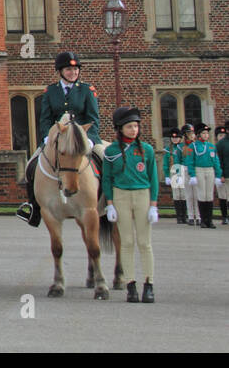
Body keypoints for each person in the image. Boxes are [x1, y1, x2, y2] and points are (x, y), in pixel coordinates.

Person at [17, 51, 101, 227]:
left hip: (82, 139)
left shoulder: (87, 90)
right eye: (69, 69)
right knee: (31, 165)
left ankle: (108, 200)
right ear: (60, 71)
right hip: (56, 139)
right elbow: (45, 118)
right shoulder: (50, 91)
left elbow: (93, 118)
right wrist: (47, 136)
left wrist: (91, 139)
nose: (73, 72)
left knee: (104, 159)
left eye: (76, 69)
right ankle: (33, 208)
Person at [100, 107, 159, 303]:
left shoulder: (147, 150)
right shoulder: (111, 151)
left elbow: (153, 178)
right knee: (126, 242)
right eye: (129, 126)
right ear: (120, 129)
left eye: (135, 126)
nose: (134, 130)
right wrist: (109, 203)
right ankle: (130, 284)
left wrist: (153, 204)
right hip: (120, 196)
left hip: (142, 195)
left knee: (145, 243)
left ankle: (148, 284)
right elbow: (107, 179)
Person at [188, 123, 224, 229]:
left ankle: (210, 220)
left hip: (210, 170)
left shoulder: (211, 146)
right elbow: (190, 161)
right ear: (199, 135)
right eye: (203, 133)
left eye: (207, 133)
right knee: (202, 195)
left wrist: (218, 174)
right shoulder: (193, 146)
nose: (205, 135)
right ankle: (203, 220)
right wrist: (192, 175)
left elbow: (216, 161)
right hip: (199, 170)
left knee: (209, 195)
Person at [165, 128, 190, 224]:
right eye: (173, 138)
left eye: (177, 138)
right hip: (174, 171)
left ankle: (184, 215)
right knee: (176, 194)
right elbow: (165, 163)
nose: (174, 139)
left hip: (183, 170)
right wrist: (167, 175)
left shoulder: (183, 147)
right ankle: (179, 216)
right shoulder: (168, 149)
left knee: (183, 194)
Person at [216, 125, 229, 225]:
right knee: (223, 197)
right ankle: (225, 216)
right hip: (225, 174)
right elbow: (218, 160)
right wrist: (220, 174)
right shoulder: (221, 144)